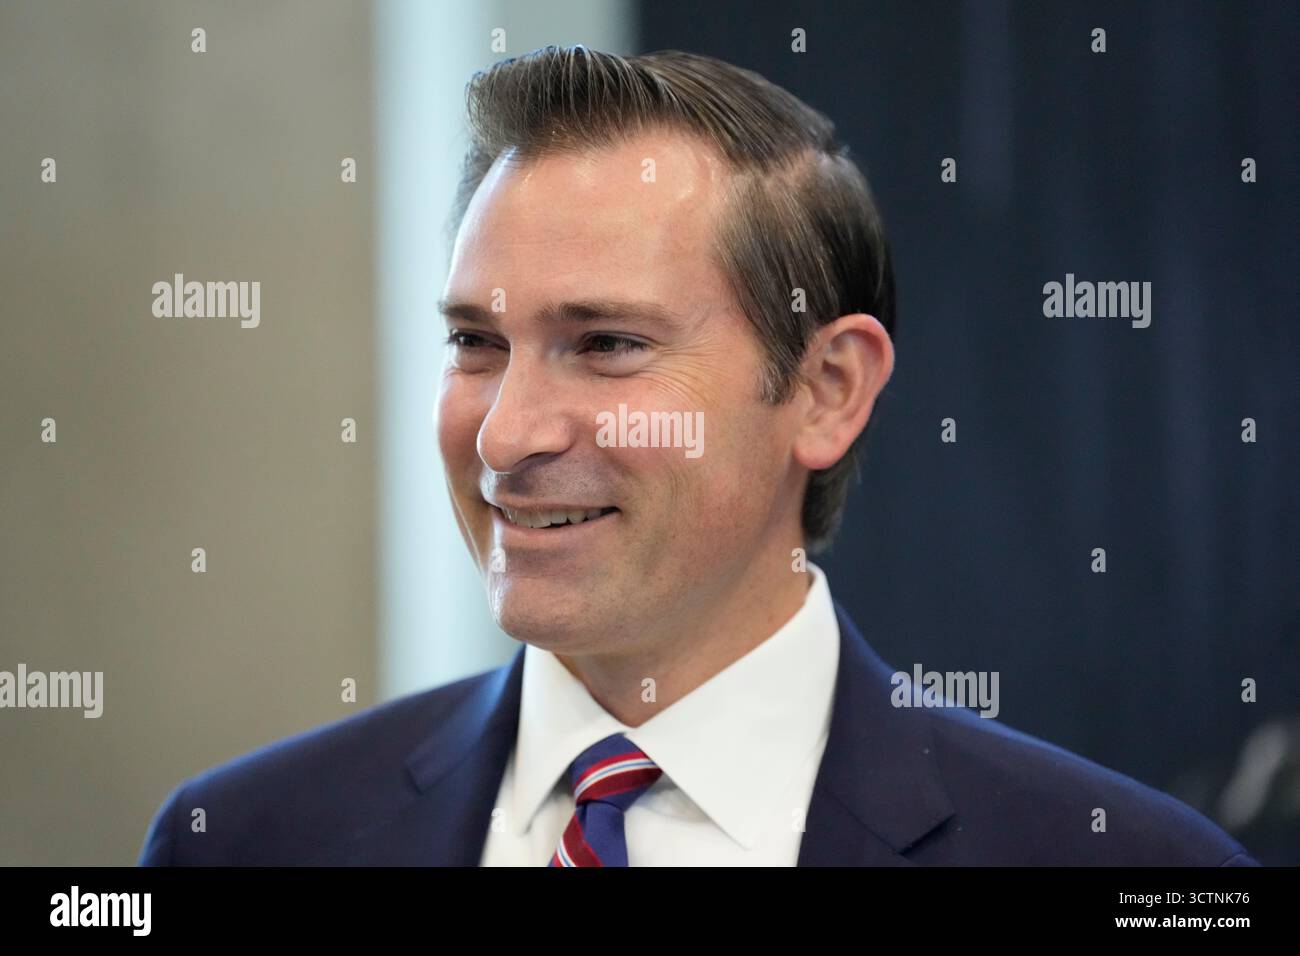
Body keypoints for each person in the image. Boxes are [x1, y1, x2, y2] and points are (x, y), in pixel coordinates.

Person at [138, 45, 1257, 866]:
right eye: (477, 343)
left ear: (826, 391)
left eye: (608, 344)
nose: (505, 432)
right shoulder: (241, 839)